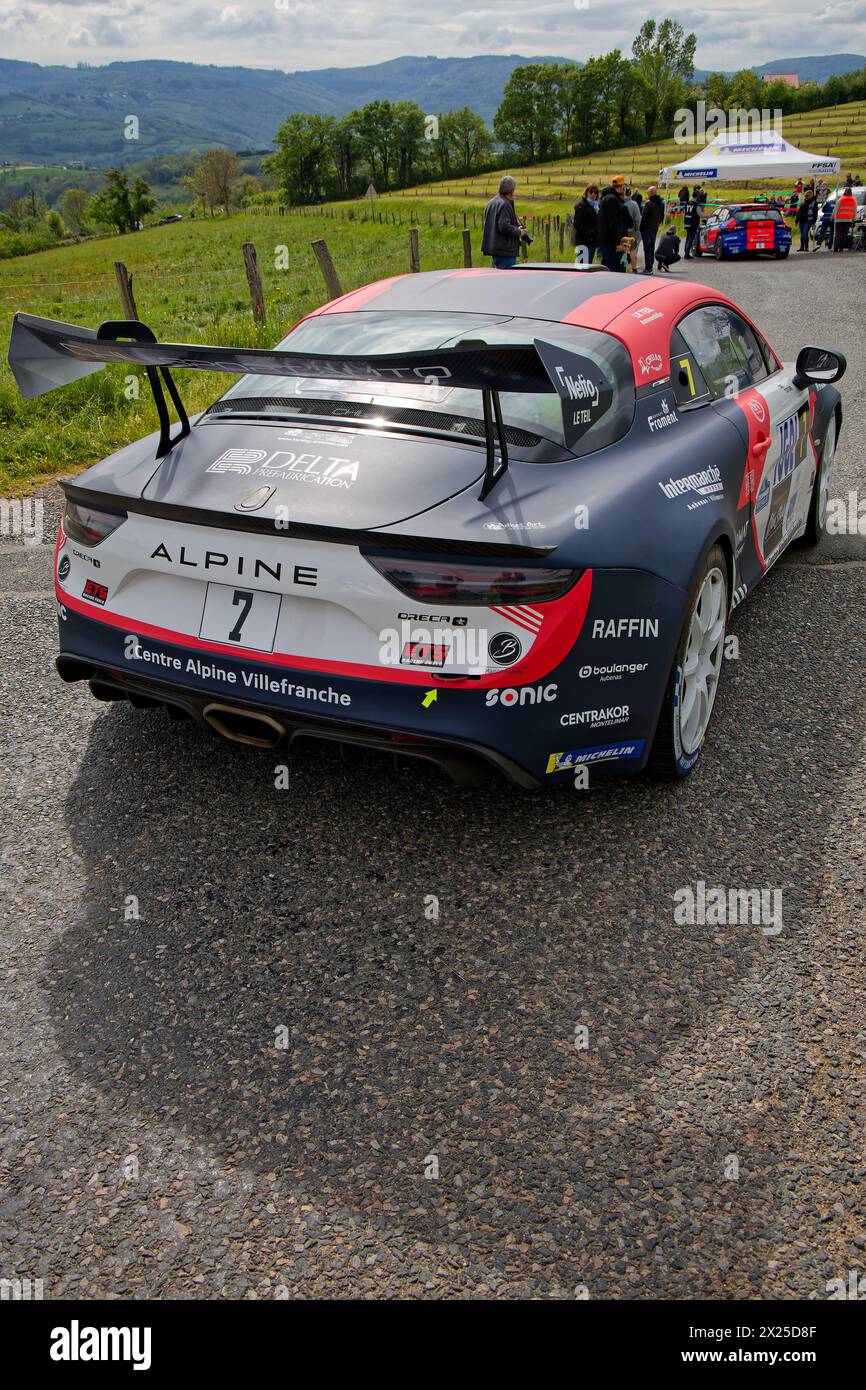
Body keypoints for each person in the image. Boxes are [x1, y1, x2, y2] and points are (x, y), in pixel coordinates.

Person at [481, 175, 526, 268]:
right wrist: (519, 231)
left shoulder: (491, 202)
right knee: (508, 280)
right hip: (505, 251)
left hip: (496, 250)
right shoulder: (504, 204)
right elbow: (503, 226)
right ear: (511, 190)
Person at [597, 176, 630, 272]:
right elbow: (613, 223)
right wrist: (618, 241)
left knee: (608, 268)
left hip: (606, 241)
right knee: (613, 270)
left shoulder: (605, 198)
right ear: (621, 187)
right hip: (611, 243)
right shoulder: (612, 200)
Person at [639, 185, 664, 275]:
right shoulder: (661, 203)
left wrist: (640, 227)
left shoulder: (648, 203)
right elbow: (662, 216)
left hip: (646, 228)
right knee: (652, 247)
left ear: (652, 193)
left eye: (648, 192)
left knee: (647, 248)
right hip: (655, 227)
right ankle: (650, 267)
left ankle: (648, 268)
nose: (647, 193)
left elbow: (644, 217)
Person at [572, 183, 599, 264]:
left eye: (595, 192)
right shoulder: (582, 206)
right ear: (586, 192)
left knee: (588, 265)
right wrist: (590, 233)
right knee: (581, 265)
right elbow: (577, 224)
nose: (593, 194)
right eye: (591, 192)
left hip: (592, 241)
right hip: (583, 242)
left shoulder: (596, 206)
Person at [833, 184, 857, 252]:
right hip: (848, 219)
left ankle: (835, 248)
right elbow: (855, 210)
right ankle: (841, 248)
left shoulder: (841, 199)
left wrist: (833, 217)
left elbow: (836, 209)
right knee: (844, 234)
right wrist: (853, 218)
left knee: (838, 234)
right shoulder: (853, 200)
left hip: (839, 219)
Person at [623, 185, 641, 270]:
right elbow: (637, 218)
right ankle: (634, 268)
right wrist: (636, 228)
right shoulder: (634, 204)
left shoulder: (620, 203)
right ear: (630, 194)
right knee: (633, 250)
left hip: (623, 230)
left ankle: (623, 266)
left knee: (623, 249)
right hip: (632, 230)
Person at [683, 187, 703, 258]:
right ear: (698, 196)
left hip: (687, 222)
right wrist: (711, 215)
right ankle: (687, 254)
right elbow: (701, 215)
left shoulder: (687, 203)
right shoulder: (696, 205)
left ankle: (686, 251)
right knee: (691, 238)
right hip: (693, 223)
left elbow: (684, 214)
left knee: (688, 237)